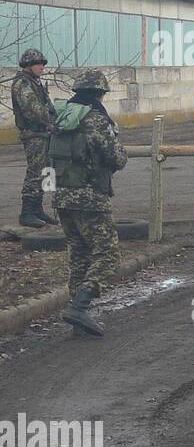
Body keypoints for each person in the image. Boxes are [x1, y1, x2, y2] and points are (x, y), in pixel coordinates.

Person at [49, 69, 130, 337]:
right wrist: (121, 148)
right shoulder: (95, 119)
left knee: (79, 254)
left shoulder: (63, 116)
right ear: (99, 92)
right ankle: (80, 307)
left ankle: (77, 318)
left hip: (62, 196)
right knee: (107, 255)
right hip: (90, 197)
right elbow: (115, 158)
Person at [11, 47, 57, 225]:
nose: (42, 67)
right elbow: (34, 110)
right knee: (35, 171)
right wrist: (52, 120)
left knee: (46, 171)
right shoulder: (23, 83)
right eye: (38, 64)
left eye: (42, 64)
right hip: (33, 134)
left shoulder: (35, 83)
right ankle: (27, 212)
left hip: (43, 133)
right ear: (28, 65)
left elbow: (48, 107)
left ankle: (38, 209)